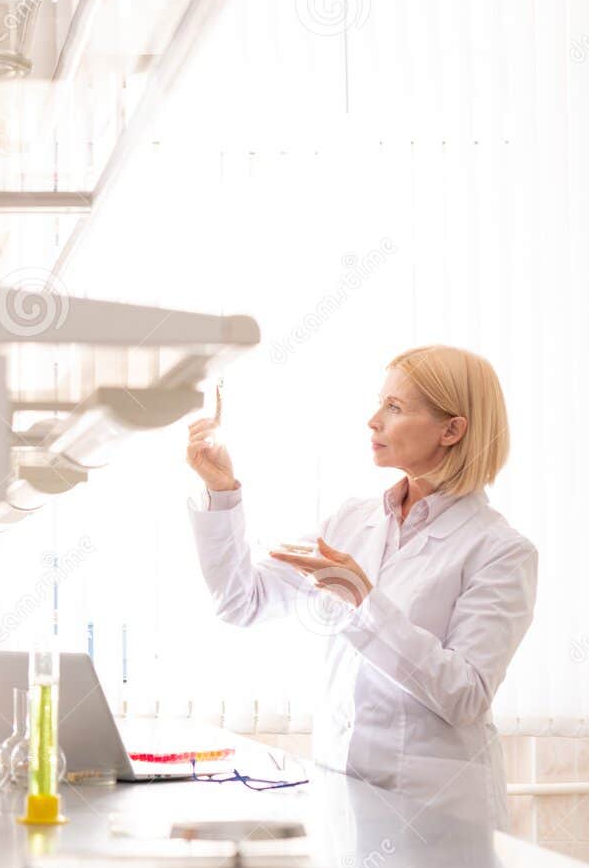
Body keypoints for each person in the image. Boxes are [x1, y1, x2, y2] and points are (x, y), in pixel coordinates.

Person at [185, 346, 537, 827]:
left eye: (395, 408)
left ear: (452, 430)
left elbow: (465, 696)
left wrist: (363, 600)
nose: (374, 421)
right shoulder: (352, 521)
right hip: (345, 802)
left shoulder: (500, 549)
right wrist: (222, 490)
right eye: (380, 403)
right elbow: (240, 602)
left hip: (440, 818)